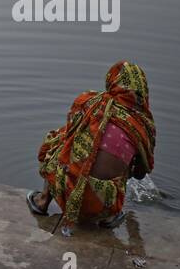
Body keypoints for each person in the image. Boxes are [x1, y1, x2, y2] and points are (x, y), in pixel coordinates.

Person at [27, 60, 156, 230]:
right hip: (103, 205)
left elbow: (69, 137)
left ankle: (42, 201)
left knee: (60, 139)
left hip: (69, 191)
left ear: (112, 82)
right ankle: (109, 216)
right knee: (126, 165)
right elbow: (140, 174)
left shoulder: (90, 101)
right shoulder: (143, 126)